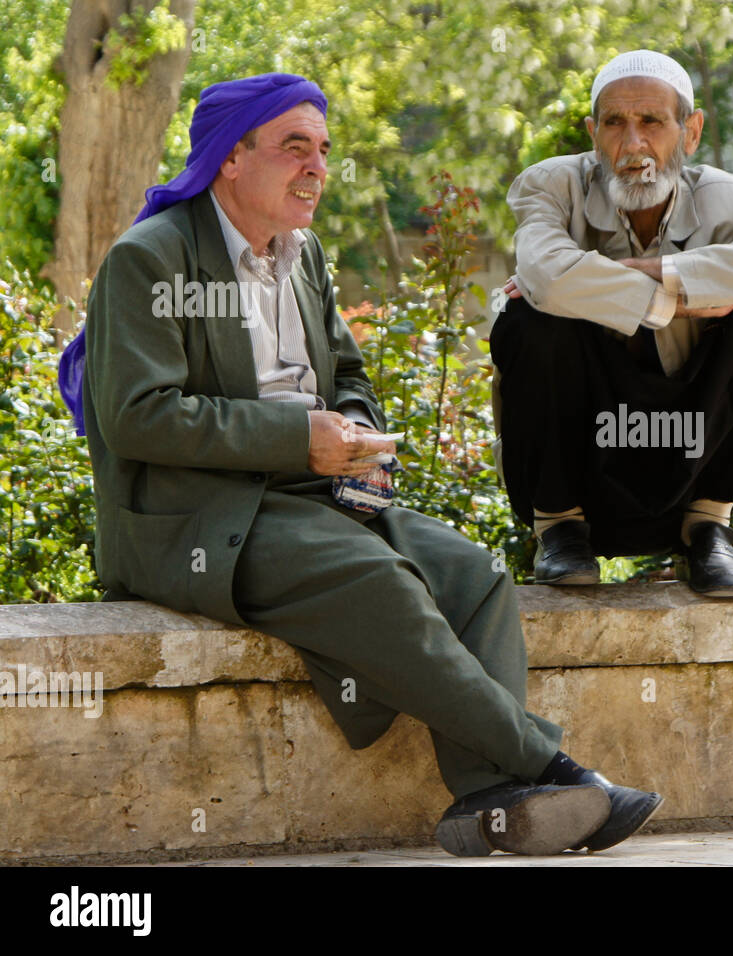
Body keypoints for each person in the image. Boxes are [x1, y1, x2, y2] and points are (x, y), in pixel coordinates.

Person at [66, 72, 661, 857]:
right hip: (198, 517)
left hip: (312, 490)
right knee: (382, 585)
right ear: (229, 160)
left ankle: (489, 802)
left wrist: (357, 437)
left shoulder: (303, 254)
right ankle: (556, 769)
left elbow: (345, 375)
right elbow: (138, 418)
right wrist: (294, 439)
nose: (316, 167)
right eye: (293, 148)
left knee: (475, 575)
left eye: (323, 150)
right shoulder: (152, 260)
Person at [491, 49, 733, 598]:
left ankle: (709, 522)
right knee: (526, 317)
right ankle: (559, 526)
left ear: (690, 132)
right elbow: (544, 274)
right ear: (593, 133)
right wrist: (677, 300)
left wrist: (632, 273)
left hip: (693, 434)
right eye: (614, 122)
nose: (633, 145)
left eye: (652, 122)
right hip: (589, 438)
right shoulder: (548, 186)